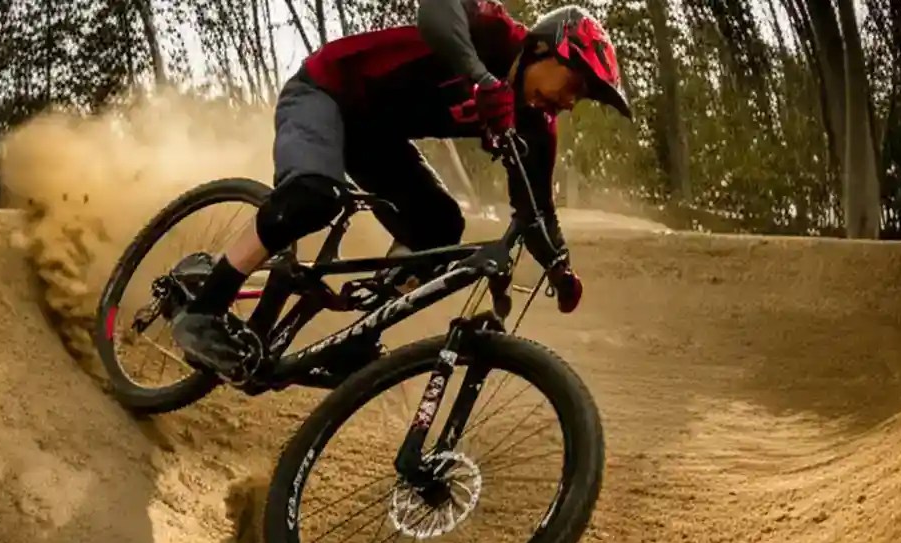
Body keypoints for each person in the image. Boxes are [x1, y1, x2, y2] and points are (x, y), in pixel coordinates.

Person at [172, 0, 633, 378]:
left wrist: (559, 268)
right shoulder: (494, 31)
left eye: (582, 97)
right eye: (573, 83)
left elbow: (536, 209)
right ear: (539, 48)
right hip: (324, 91)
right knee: (315, 194)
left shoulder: (536, 126)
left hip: (374, 137)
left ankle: (358, 338)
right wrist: (484, 78)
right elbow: (436, 12)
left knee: (441, 225)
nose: (570, 102)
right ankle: (203, 312)